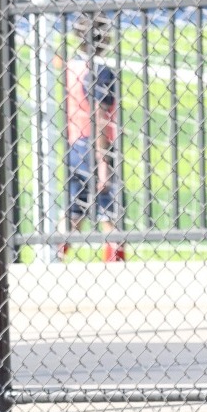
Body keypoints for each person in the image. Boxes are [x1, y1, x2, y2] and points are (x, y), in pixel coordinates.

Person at [59, 13, 124, 261]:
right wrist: (103, 161)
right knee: (110, 211)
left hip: (75, 143)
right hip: (94, 144)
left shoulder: (72, 67)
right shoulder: (101, 72)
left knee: (76, 209)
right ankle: (116, 265)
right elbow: (99, 114)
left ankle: (55, 257)